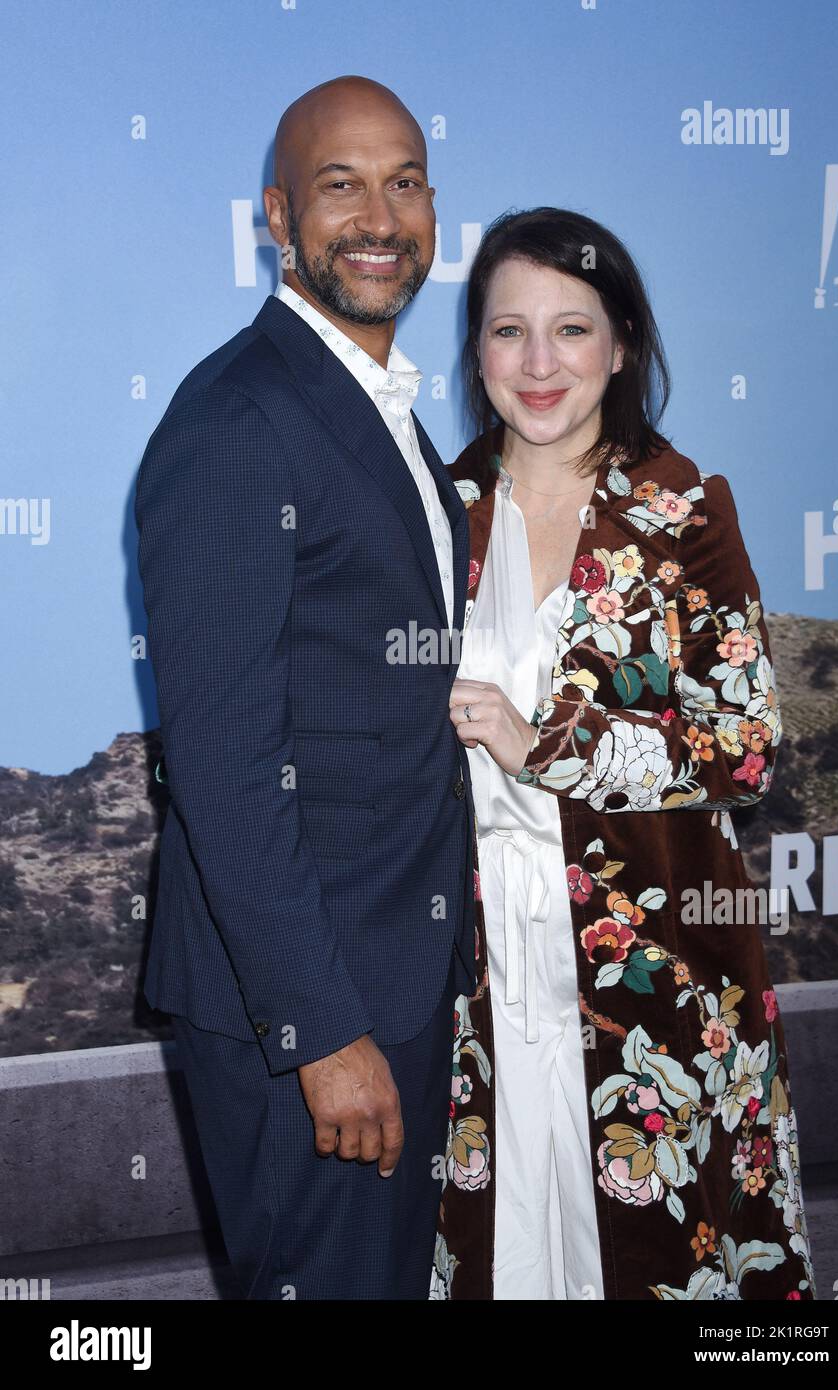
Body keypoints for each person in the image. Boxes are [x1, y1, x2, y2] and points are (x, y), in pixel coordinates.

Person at [432, 207, 817, 1302]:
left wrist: (549, 737)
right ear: (477, 352)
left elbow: (747, 753)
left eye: (572, 329)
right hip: (478, 993)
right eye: (509, 331)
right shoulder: (432, 511)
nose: (540, 363)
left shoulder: (685, 508)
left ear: (623, 343)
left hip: (661, 993)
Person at [135, 76, 478, 1300]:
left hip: (392, 980)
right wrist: (322, 1033)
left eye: (404, 182)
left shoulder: (379, 412)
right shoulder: (241, 415)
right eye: (340, 185)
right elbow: (223, 761)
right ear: (278, 216)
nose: (377, 215)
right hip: (313, 1016)